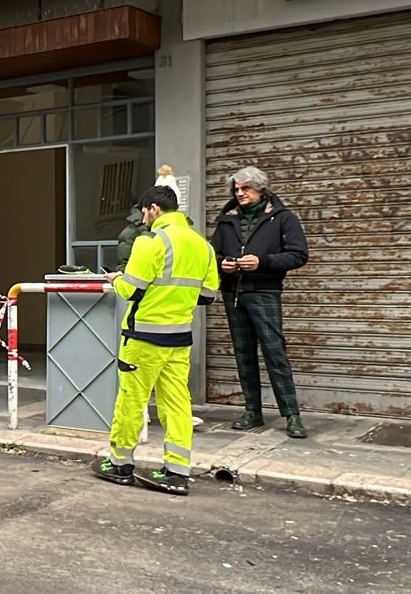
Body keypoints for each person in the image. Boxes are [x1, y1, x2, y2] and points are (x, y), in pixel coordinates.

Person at [94, 184, 221, 496]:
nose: (142, 217)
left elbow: (131, 290)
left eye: (144, 212)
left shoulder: (150, 241)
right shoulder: (202, 245)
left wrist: (117, 278)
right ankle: (177, 471)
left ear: (153, 209)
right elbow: (207, 296)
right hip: (179, 338)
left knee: (132, 401)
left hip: (143, 338)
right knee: (177, 403)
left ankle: (120, 464)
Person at [211, 165, 310, 439]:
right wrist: (223, 265)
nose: (239, 193)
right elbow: (212, 256)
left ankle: (291, 416)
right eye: (236, 189)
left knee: (275, 354)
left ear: (261, 189)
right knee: (244, 355)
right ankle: (252, 411)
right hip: (234, 294)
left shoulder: (282, 218)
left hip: (265, 292)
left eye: (245, 188)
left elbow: (299, 255)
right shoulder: (226, 220)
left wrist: (263, 262)